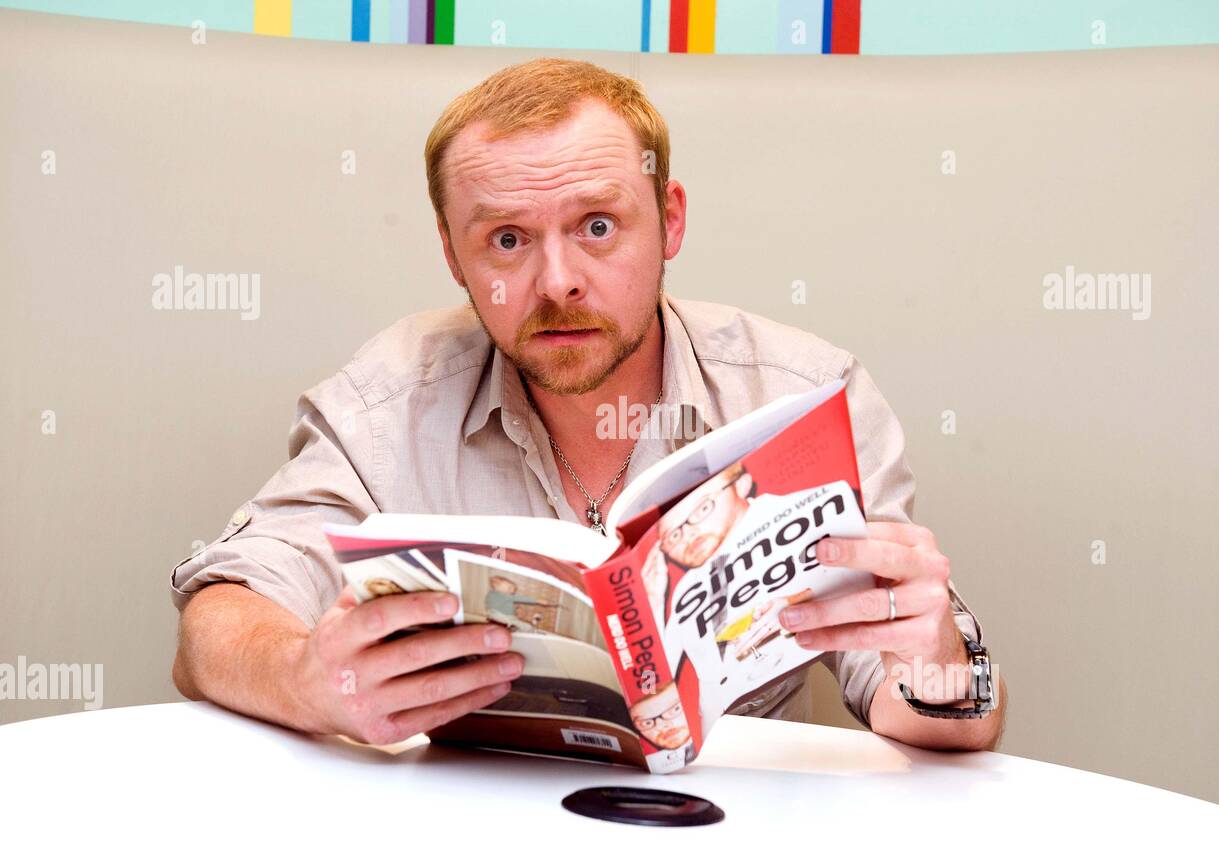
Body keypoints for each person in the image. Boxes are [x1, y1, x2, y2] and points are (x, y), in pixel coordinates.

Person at [170, 57, 1006, 751]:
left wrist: (931, 654)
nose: (558, 280)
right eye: (506, 239)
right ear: (453, 255)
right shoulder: (388, 401)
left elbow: (928, 710)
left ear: (668, 221)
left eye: (598, 226)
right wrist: (304, 677)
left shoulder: (804, 397)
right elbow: (219, 618)